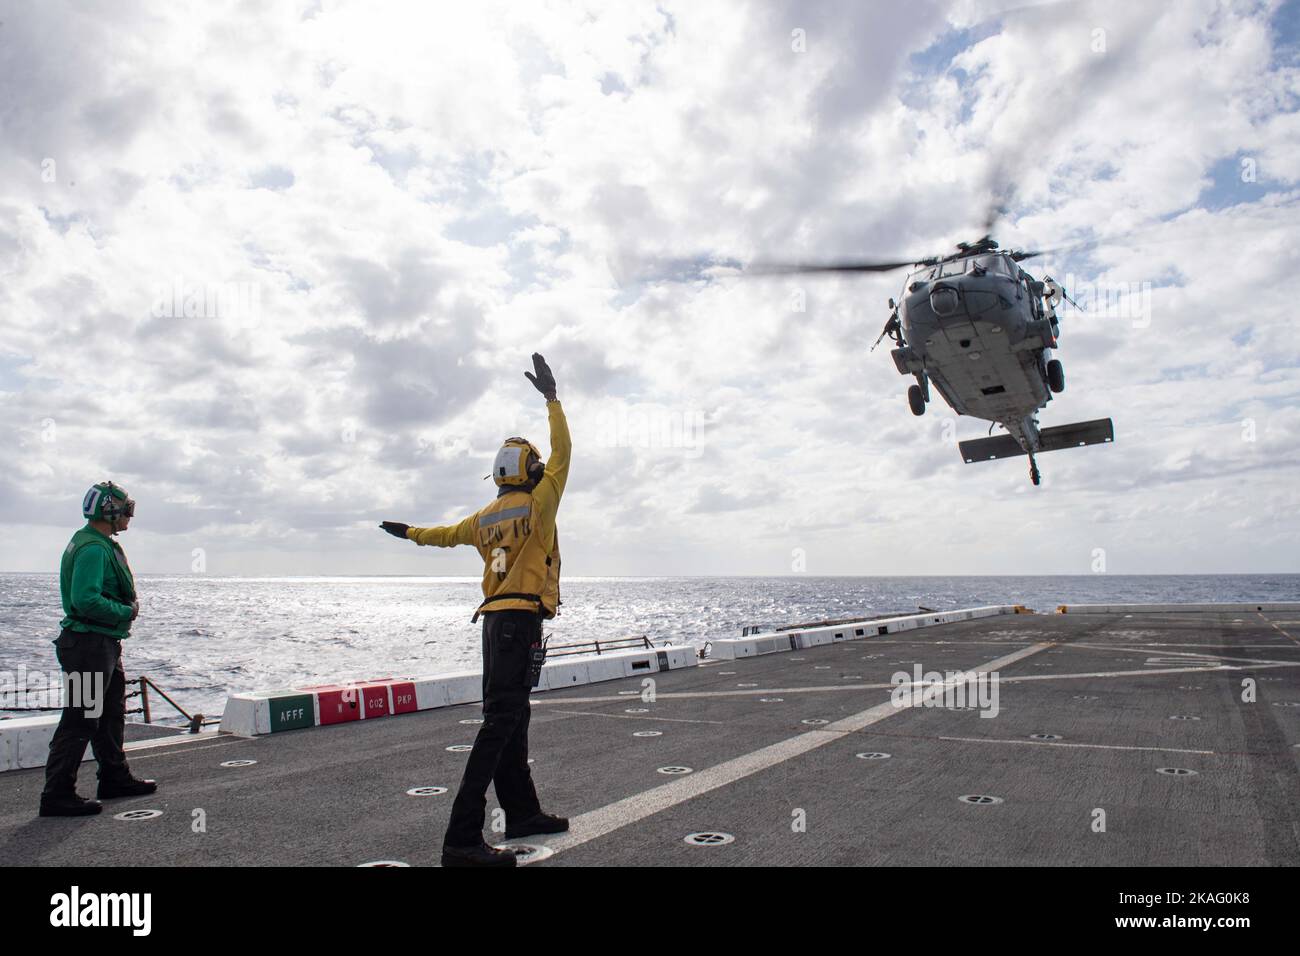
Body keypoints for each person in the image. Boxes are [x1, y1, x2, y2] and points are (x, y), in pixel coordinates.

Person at [381, 353, 570, 867]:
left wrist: (407, 532)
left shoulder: (485, 517)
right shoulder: (540, 502)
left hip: (494, 624)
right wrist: (553, 400)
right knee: (499, 724)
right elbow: (564, 453)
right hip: (520, 620)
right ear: (530, 470)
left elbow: (439, 536)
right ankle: (461, 839)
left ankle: (521, 811)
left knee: (512, 719)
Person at [40, 481, 157, 817]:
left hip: (102, 644)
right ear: (109, 510)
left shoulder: (96, 542)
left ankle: (114, 777)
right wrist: (127, 612)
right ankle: (57, 793)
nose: (129, 516)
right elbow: (85, 599)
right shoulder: (92, 549)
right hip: (89, 645)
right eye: (126, 509)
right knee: (80, 719)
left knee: (110, 714)